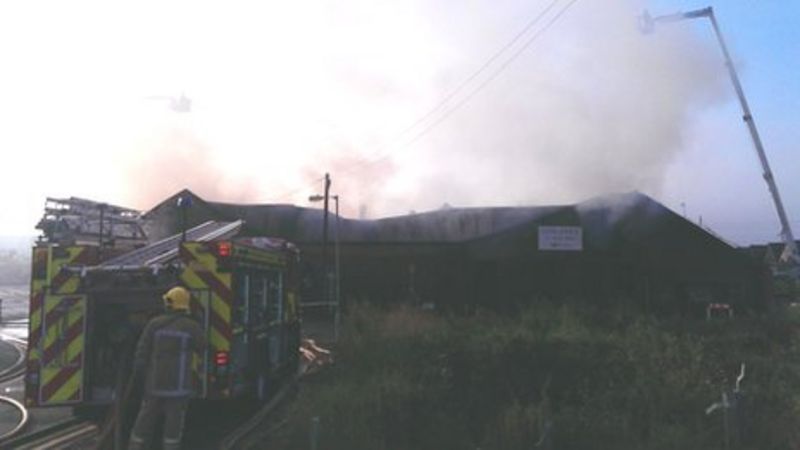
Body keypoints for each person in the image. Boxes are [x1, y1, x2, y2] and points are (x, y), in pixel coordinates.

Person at [128, 286, 207, 450]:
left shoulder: (154, 324)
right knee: (173, 427)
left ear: (168, 304)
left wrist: (139, 378)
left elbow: (141, 353)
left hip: (154, 385)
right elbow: (203, 346)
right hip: (179, 388)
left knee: (144, 422)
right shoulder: (191, 327)